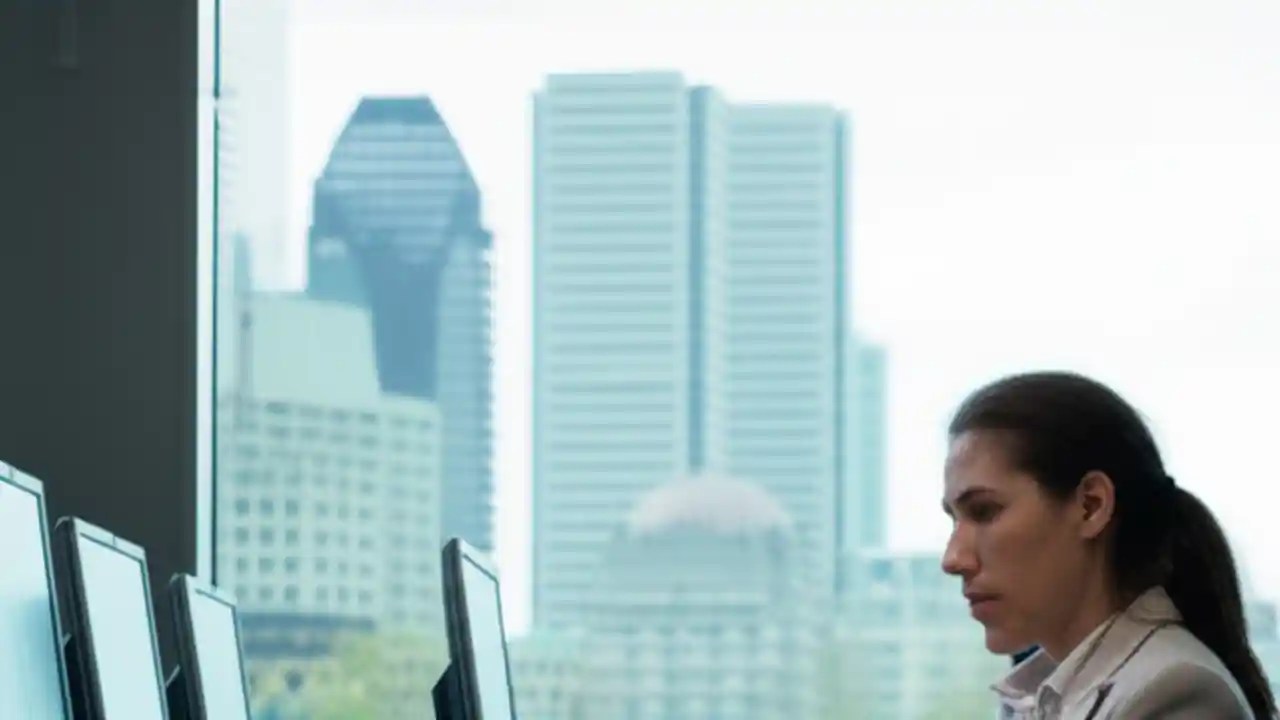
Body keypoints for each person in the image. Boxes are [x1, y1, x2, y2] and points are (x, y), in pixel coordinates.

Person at [941, 371, 1276, 719]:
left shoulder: (1172, 690)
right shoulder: (1037, 698)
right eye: (954, 519)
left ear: (1091, 506)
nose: (953, 559)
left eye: (984, 511)